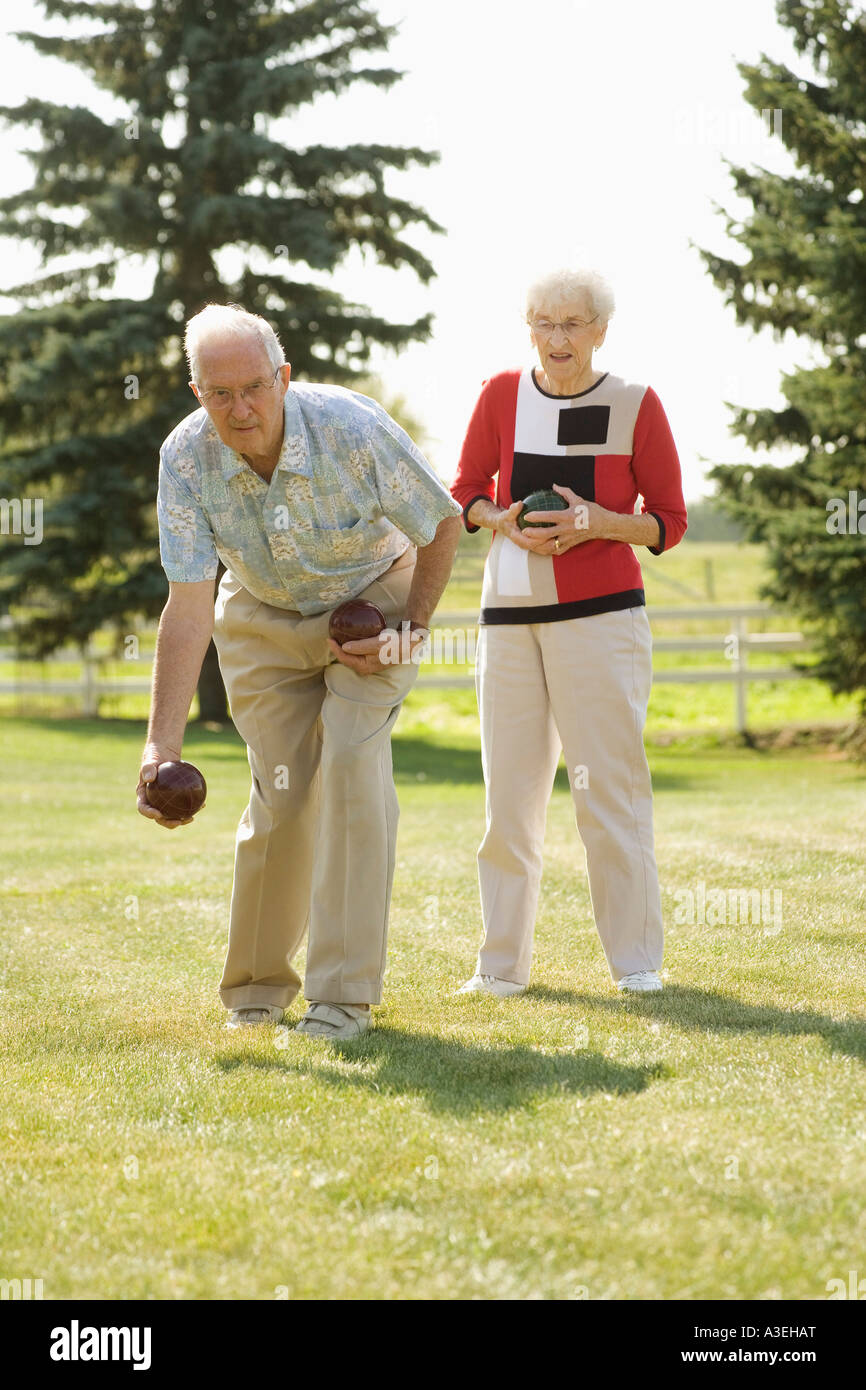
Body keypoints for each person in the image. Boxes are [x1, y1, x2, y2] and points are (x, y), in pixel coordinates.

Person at [137, 304, 462, 1038]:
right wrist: (160, 747)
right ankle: (255, 992)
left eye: (254, 386)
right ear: (197, 394)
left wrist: (412, 628)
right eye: (219, 393)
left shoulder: (352, 427)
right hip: (262, 611)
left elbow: (442, 521)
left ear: (283, 377)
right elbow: (187, 607)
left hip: (372, 601)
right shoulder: (185, 458)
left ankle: (342, 997)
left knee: (350, 762)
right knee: (281, 792)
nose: (240, 407)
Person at [450, 267, 687, 996]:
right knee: (508, 802)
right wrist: (500, 519)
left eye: (573, 324)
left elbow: (667, 521)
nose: (558, 339)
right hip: (510, 619)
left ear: (600, 330)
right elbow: (463, 493)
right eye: (543, 324)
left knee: (610, 795)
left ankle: (637, 965)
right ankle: (500, 969)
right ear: (529, 330)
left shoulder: (635, 403)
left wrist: (595, 522)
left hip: (602, 620)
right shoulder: (498, 395)